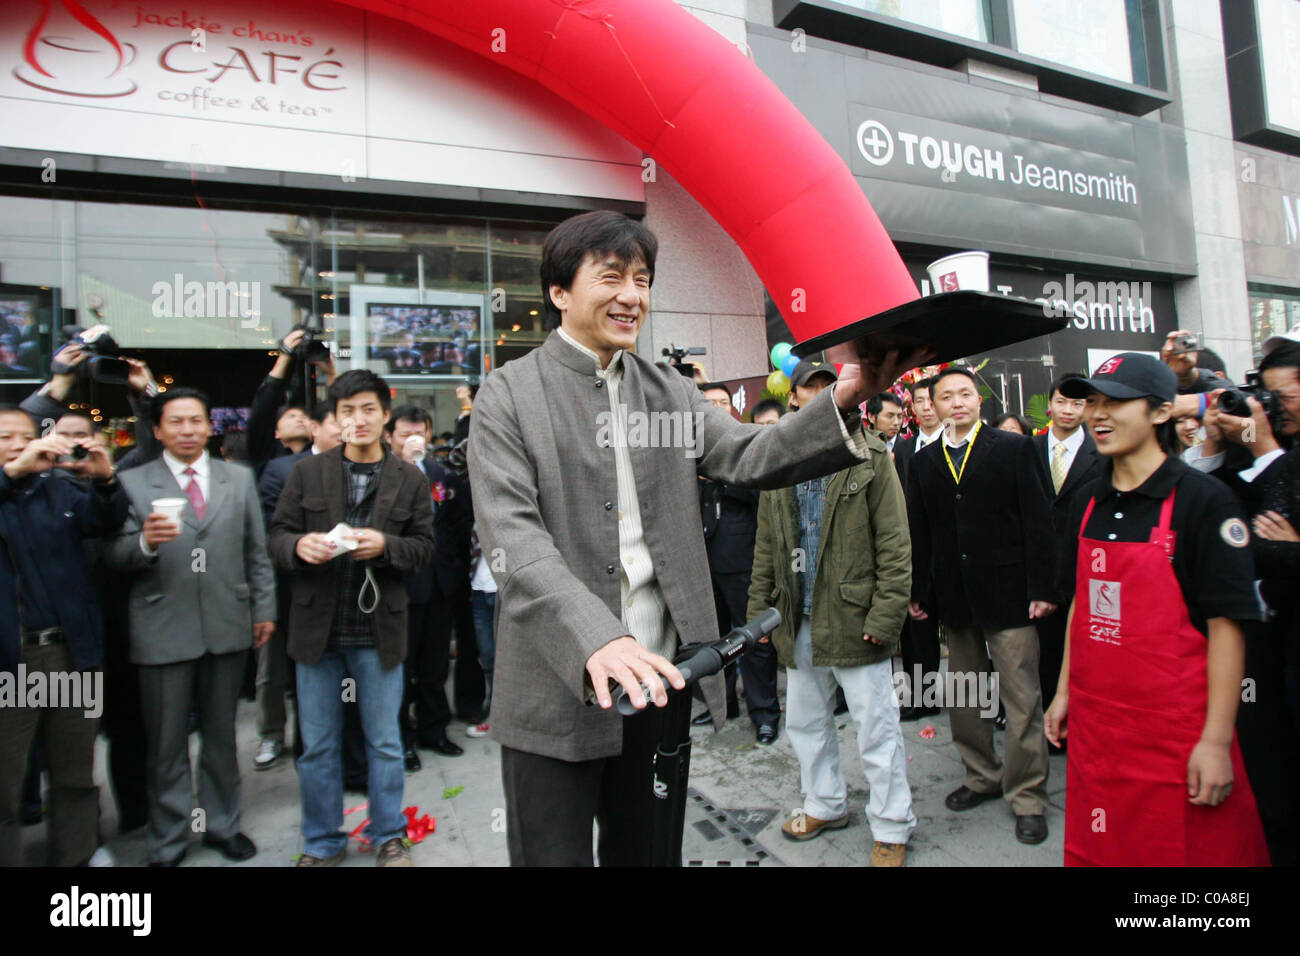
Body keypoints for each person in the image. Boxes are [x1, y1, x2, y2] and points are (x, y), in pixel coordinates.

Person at [467, 210, 921, 866]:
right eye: (612, 277)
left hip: (658, 686)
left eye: (643, 280)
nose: (632, 295)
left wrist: (845, 400)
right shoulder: (508, 396)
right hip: (552, 691)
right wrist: (598, 637)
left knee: (648, 855)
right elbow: (515, 539)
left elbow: (751, 454)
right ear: (560, 292)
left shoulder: (668, 392)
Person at [1044, 353, 1270, 865]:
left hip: (1177, 736)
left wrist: (1216, 741)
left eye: (1117, 402)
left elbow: (1227, 627)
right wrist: (1062, 693)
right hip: (1100, 731)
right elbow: (1082, 600)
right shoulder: (1088, 501)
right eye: (1093, 401)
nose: (1099, 414)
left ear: (1161, 412)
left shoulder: (1203, 501)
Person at [750, 363, 916, 866]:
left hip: (855, 619)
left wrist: (885, 618)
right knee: (805, 723)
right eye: (811, 388)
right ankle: (825, 803)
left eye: (830, 387)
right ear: (797, 397)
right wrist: (760, 612)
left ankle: (892, 825)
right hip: (795, 618)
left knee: (876, 729)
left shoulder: (871, 455)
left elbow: (894, 545)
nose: (822, 395)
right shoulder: (780, 461)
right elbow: (766, 546)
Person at [268, 370, 435, 867]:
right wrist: (299, 545)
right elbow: (275, 539)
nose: (357, 420)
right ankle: (322, 842)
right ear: (334, 419)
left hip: (379, 631)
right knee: (317, 746)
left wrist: (386, 547)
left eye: (367, 409)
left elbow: (424, 548)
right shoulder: (308, 473)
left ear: (386, 414)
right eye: (346, 411)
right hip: (317, 631)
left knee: (385, 742)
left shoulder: (408, 478)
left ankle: (388, 835)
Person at [104, 387, 276, 866]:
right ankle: (169, 839)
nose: (187, 430)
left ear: (209, 426)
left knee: (223, 737)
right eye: (176, 422)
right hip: (162, 628)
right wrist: (143, 543)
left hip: (227, 621)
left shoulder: (237, 479)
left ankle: (223, 825)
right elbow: (112, 555)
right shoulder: (132, 482)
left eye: (196, 421)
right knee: (166, 744)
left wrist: (264, 609)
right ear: (157, 429)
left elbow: (256, 552)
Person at [905, 366, 1056, 845]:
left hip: (1011, 595)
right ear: (931, 404)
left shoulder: (1014, 449)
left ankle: (1028, 795)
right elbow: (920, 531)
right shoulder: (925, 462)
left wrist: (1043, 587)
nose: (957, 402)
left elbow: (1039, 518)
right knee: (966, 695)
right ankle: (980, 775)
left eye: (965, 393)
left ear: (979, 398)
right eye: (946, 396)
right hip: (955, 597)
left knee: (1021, 699)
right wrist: (919, 591)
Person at [0, 405, 127, 866]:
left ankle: (75, 859)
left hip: (71, 651)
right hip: (12, 660)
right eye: (5, 437)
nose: (18, 444)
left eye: (26, 435)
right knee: (5, 783)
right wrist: (11, 475)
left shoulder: (58, 489)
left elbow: (107, 520)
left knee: (75, 773)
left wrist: (105, 479)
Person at [252, 400, 343, 771]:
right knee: (273, 670)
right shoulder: (281, 469)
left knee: (321, 671)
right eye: (338, 419)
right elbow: (272, 530)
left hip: (333, 589)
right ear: (315, 427)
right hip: (286, 585)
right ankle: (272, 734)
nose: (344, 428)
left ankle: (318, 742)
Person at [388, 404, 477, 767]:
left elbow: (459, 523)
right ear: (390, 437)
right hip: (401, 589)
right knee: (401, 668)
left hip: (440, 586)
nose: (414, 440)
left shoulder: (442, 474)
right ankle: (401, 738)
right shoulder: (383, 476)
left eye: (419, 432)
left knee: (436, 665)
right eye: (405, 434)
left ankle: (433, 729)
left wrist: (455, 570)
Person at [694, 381, 776, 742]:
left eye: (722, 402)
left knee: (752, 639)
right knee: (714, 642)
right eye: (708, 402)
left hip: (741, 561)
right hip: (700, 563)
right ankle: (721, 705)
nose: (715, 407)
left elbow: (759, 494)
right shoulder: (685, 446)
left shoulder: (745, 443)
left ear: (733, 407)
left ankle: (765, 713)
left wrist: (719, 476)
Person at [1030, 375, 1102, 753]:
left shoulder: (1100, 453)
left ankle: (1080, 727)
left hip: (1083, 570)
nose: (1069, 410)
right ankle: (1048, 726)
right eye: (1063, 402)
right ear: (1050, 406)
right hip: (1039, 571)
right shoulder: (1030, 448)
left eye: (1078, 404)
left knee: (1083, 654)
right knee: (1044, 654)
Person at [892, 376, 942, 721]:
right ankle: (921, 698)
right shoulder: (904, 450)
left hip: (954, 554)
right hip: (914, 554)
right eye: (919, 401)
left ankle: (983, 703)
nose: (925, 407)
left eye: (930, 400)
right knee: (916, 630)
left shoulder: (957, 444)